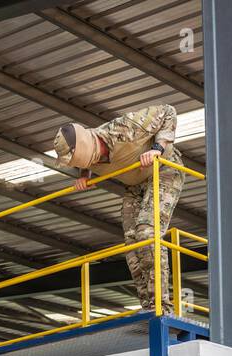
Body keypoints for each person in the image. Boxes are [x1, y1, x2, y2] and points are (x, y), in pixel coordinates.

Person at [51, 104, 184, 312]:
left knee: (147, 233)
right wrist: (84, 177)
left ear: (82, 149)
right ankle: (148, 306)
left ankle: (161, 305)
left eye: (73, 160)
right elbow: (88, 159)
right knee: (131, 244)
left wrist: (157, 148)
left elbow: (168, 111)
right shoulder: (89, 153)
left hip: (164, 170)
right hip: (135, 183)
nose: (73, 164)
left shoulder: (122, 128)